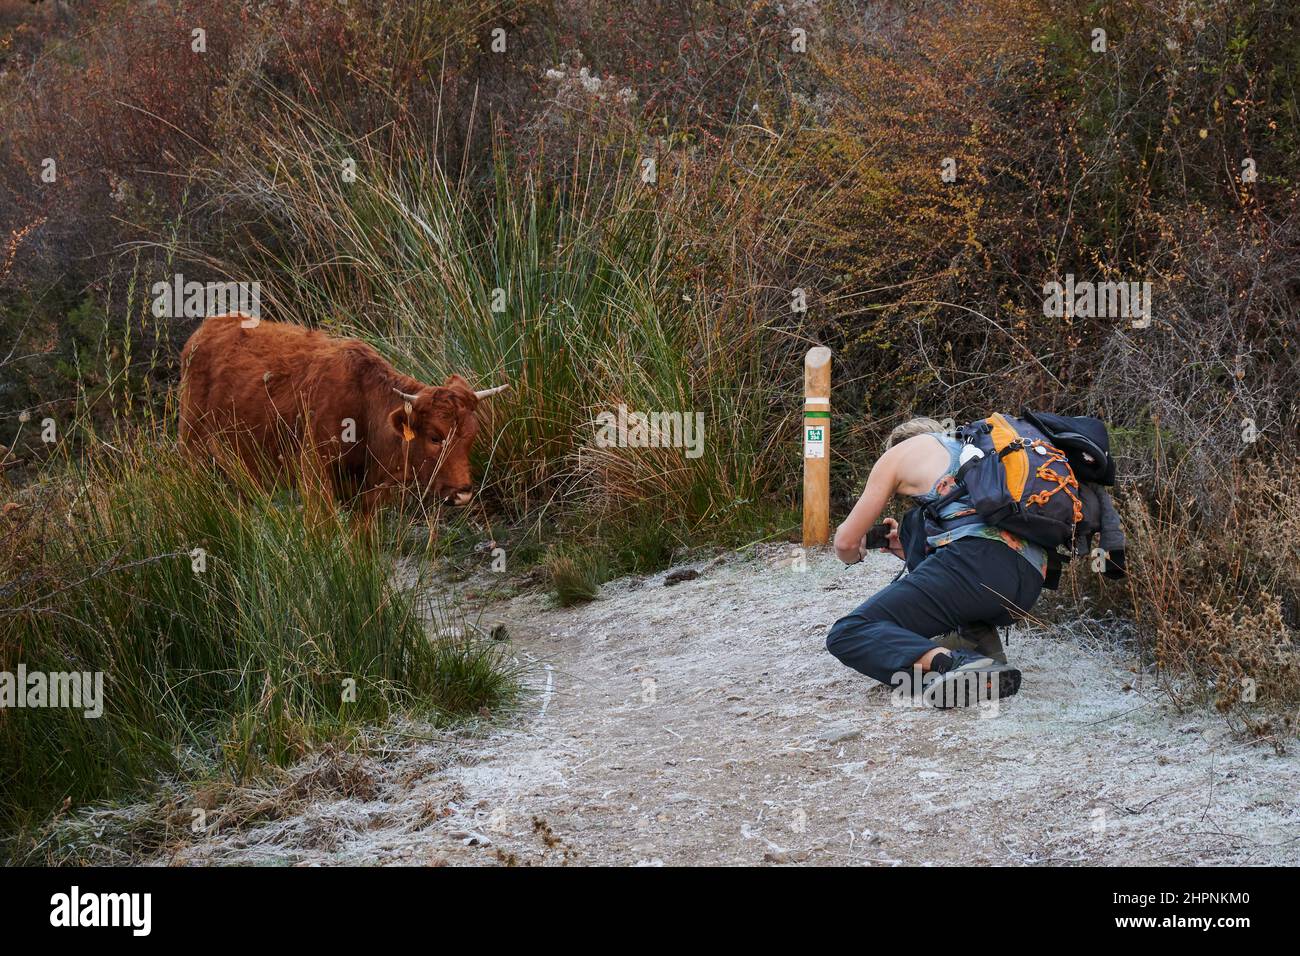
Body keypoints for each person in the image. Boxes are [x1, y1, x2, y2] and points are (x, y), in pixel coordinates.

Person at [826, 417, 1044, 705]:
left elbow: (844, 543)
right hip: (1026, 582)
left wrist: (855, 550)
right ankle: (984, 654)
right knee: (915, 522)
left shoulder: (898, 455)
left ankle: (955, 664)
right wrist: (904, 548)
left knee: (849, 633)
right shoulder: (976, 455)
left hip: (976, 565)